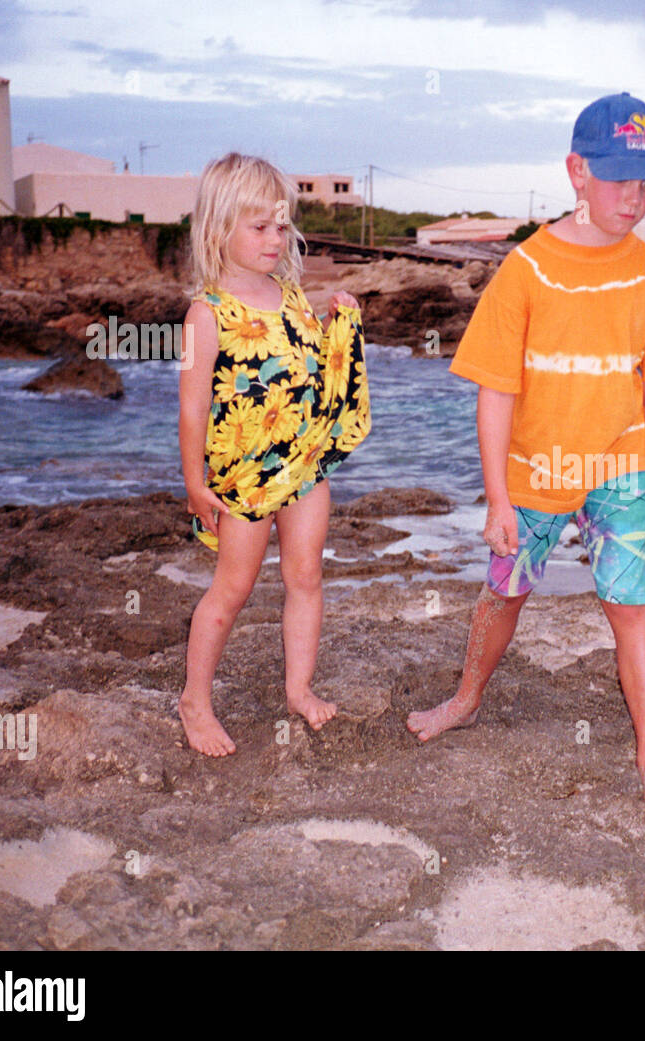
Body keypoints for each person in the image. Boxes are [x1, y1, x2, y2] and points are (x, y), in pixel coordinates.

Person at [406, 93, 645, 803]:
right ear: (576, 170)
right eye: (618, 179)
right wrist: (498, 497)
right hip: (535, 468)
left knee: (631, 603)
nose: (634, 198)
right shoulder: (527, 270)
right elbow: (495, 390)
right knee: (504, 591)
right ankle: (466, 697)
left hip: (622, 465)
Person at [177, 153, 372, 757]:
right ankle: (194, 701)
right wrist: (194, 482)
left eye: (281, 226)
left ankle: (299, 689)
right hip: (246, 480)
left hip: (305, 467)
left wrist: (337, 319)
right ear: (218, 230)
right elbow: (191, 409)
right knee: (231, 590)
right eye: (258, 227)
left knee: (306, 576)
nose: (274, 238)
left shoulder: (290, 296)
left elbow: (310, 370)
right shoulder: (206, 314)